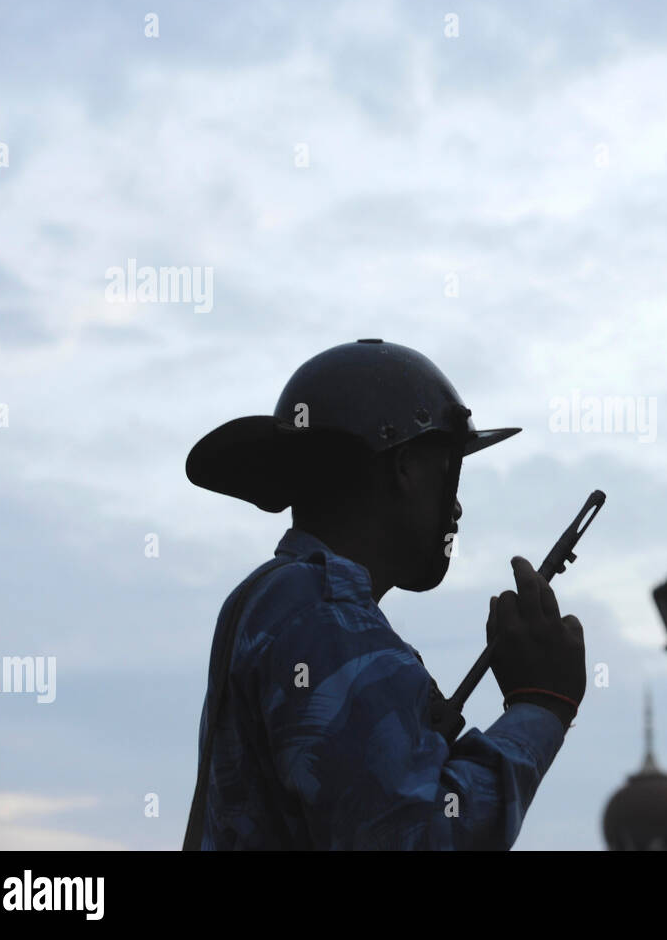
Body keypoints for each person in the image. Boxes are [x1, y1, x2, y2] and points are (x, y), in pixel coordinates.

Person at [181, 339, 585, 850]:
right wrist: (541, 704)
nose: (456, 509)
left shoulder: (281, 601)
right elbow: (416, 838)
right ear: (405, 467)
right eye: (448, 470)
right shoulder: (321, 611)